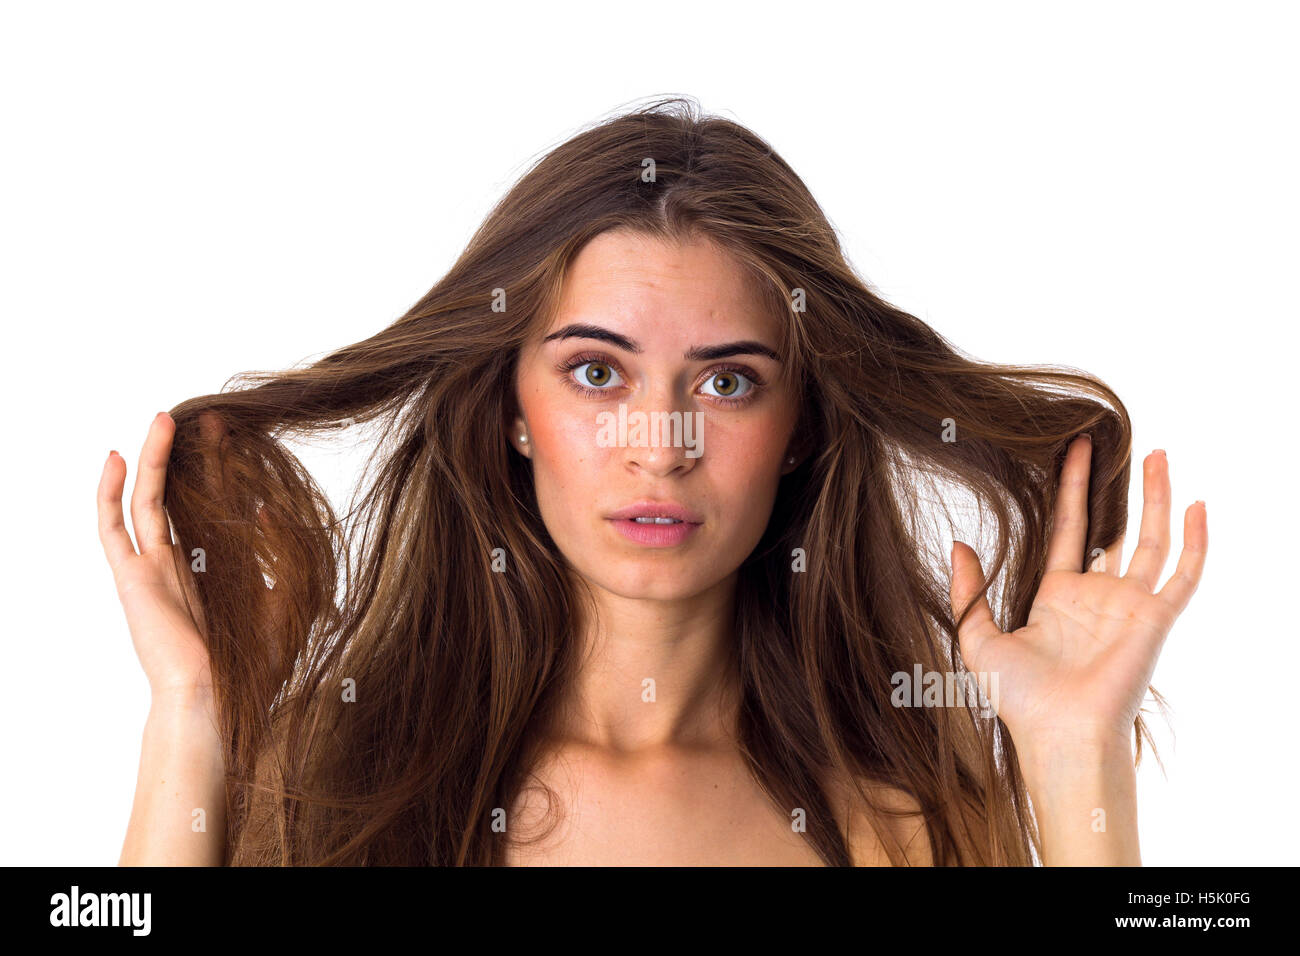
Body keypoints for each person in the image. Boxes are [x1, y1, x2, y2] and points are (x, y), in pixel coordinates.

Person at [97, 96, 1207, 866]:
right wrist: (190, 715)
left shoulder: (904, 811)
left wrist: (1074, 761)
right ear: (512, 412)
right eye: (594, 370)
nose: (661, 440)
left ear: (801, 425)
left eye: (727, 381)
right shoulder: (340, 772)